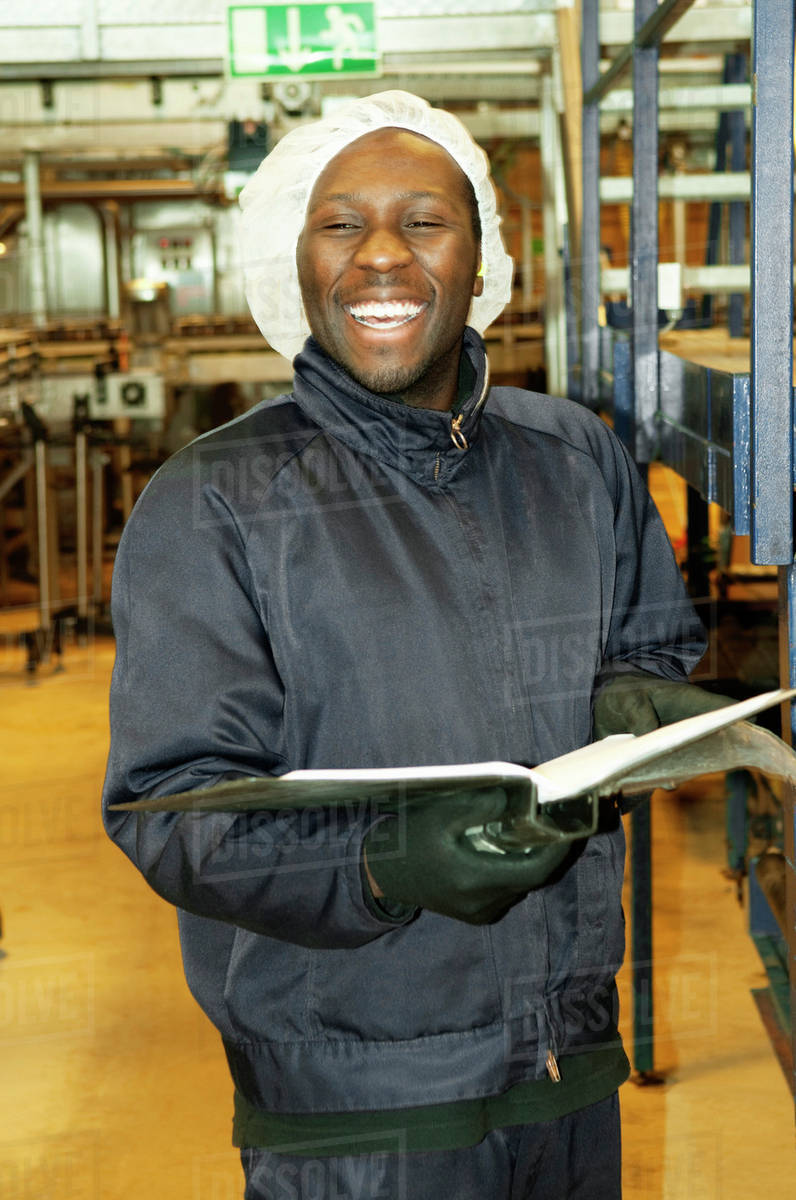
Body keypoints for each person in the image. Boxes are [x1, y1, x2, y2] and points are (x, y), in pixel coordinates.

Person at [103, 91, 722, 1199]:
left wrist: (639, 704)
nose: (380, 255)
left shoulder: (574, 459)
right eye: (341, 224)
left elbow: (650, 649)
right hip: (360, 1114)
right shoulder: (217, 503)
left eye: (422, 221)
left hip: (568, 1074)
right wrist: (382, 863)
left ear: (479, 256)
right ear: (293, 261)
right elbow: (169, 808)